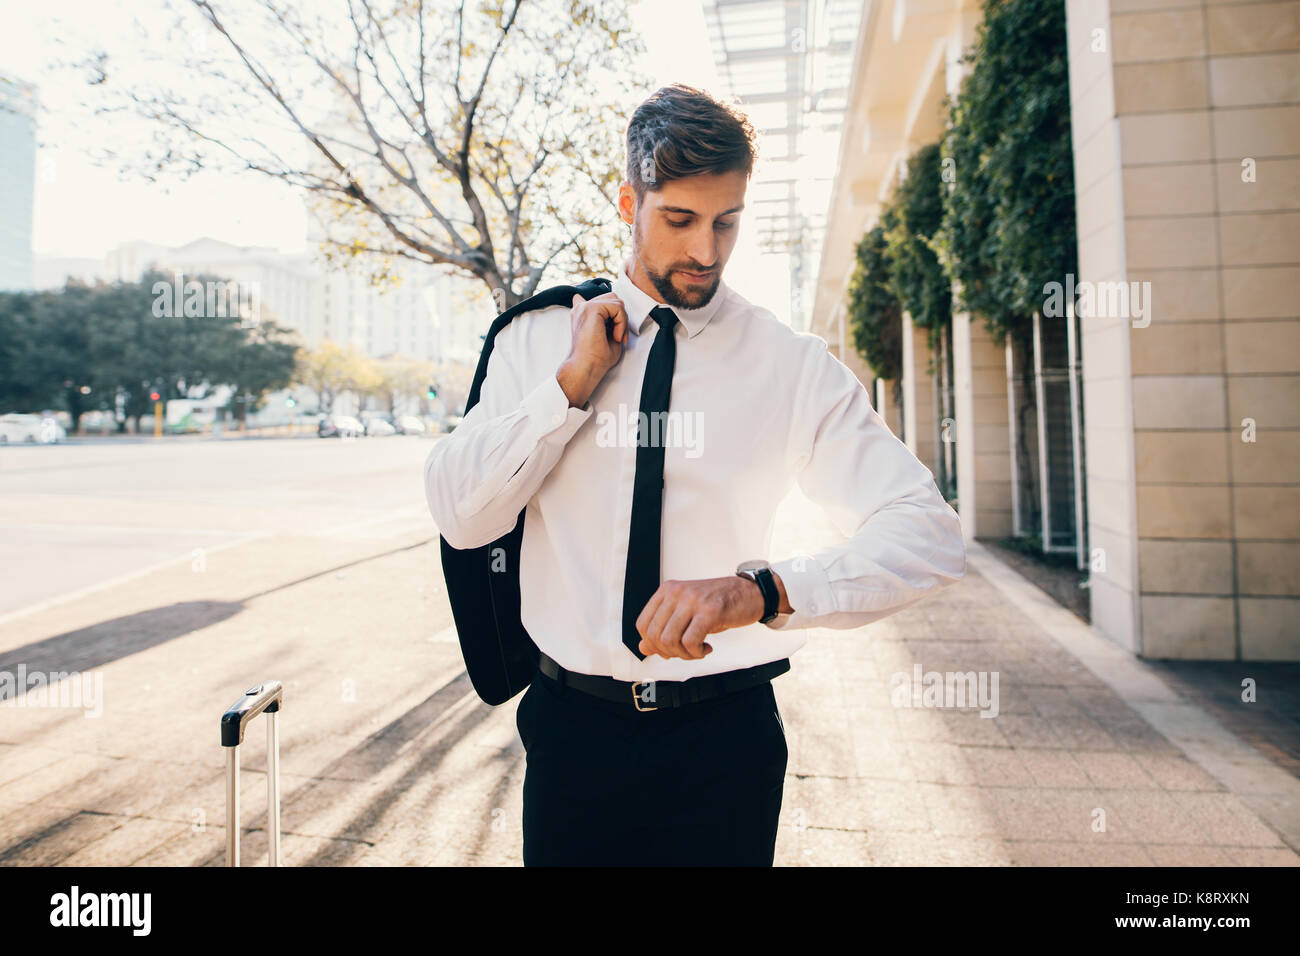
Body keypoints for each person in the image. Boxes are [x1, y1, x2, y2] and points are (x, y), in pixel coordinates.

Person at [423, 83, 966, 866]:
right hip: (573, 736)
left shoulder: (789, 364)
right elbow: (460, 514)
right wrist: (570, 386)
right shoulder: (539, 340)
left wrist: (763, 590)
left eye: (727, 221)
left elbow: (929, 534)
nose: (706, 250)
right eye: (680, 220)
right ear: (628, 202)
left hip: (726, 743)